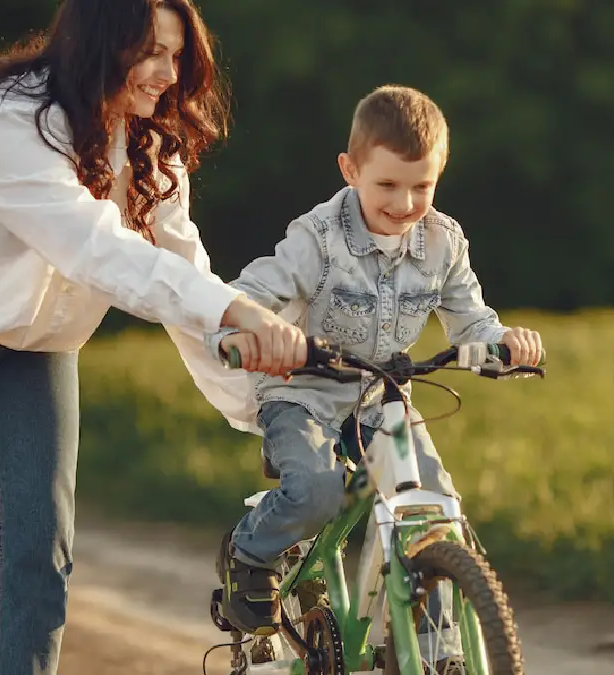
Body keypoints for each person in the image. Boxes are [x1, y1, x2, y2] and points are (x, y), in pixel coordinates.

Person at [0, 1, 305, 673]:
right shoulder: (9, 121)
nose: (167, 74)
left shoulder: (149, 146)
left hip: (29, 350)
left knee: (39, 550)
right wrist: (238, 312)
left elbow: (180, 280)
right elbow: (95, 248)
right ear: (98, 45)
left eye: (177, 56)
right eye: (150, 52)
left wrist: (262, 408)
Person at [207, 84, 543, 672]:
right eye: (387, 184)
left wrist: (504, 345)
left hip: (381, 400)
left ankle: (442, 655)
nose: (405, 201)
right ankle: (249, 553)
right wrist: (249, 329)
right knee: (316, 491)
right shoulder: (318, 237)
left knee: (437, 509)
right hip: (304, 394)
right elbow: (256, 290)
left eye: (422, 186)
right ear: (350, 169)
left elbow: (471, 321)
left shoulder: (444, 242)